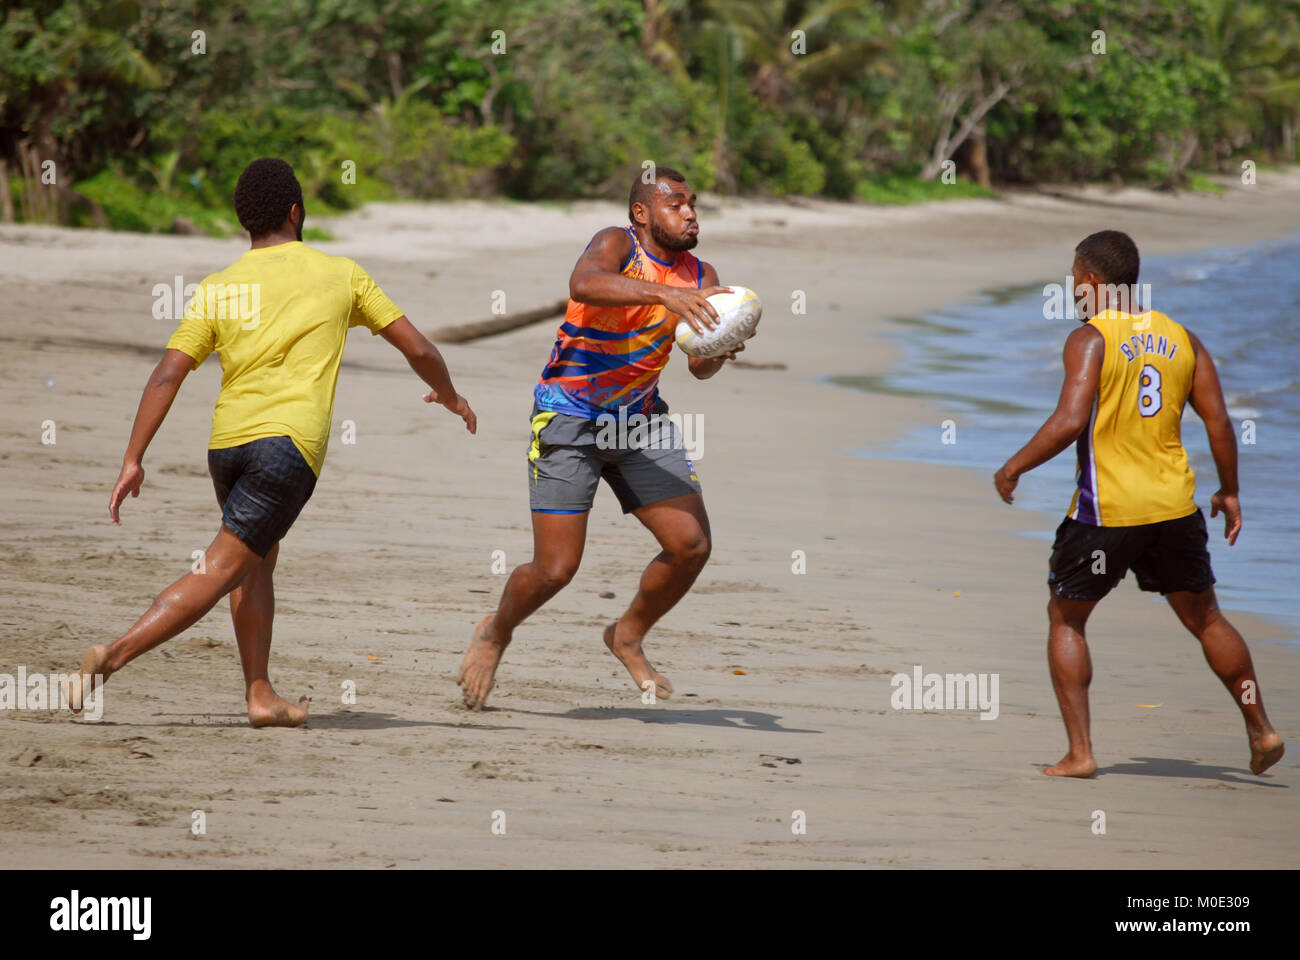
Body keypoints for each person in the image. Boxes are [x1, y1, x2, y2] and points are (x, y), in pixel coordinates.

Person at [66, 157, 476, 727]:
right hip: (286, 450)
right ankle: (110, 657)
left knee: (254, 564)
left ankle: (260, 695)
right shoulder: (342, 274)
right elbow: (420, 351)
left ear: (245, 222)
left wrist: (133, 459)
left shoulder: (218, 288)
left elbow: (166, 374)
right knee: (220, 569)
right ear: (295, 212)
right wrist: (451, 396)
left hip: (227, 448)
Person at [994, 229, 1284, 777]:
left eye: (1075, 277)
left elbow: (1069, 420)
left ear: (1095, 281)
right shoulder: (1183, 338)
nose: (1072, 288)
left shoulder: (1090, 339)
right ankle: (1262, 729)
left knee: (1067, 619)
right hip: (1175, 509)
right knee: (1206, 618)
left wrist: (1013, 467)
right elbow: (1220, 422)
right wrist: (1230, 490)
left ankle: (1080, 754)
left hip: (1107, 513)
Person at [458, 166, 743, 709]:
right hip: (569, 417)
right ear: (642, 213)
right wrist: (666, 296)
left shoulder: (701, 273)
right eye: (676, 204)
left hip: (639, 421)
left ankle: (627, 634)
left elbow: (698, 368)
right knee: (555, 570)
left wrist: (718, 351)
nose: (690, 214)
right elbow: (584, 283)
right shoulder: (617, 244)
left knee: (691, 546)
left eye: (693, 205)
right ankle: (495, 630)